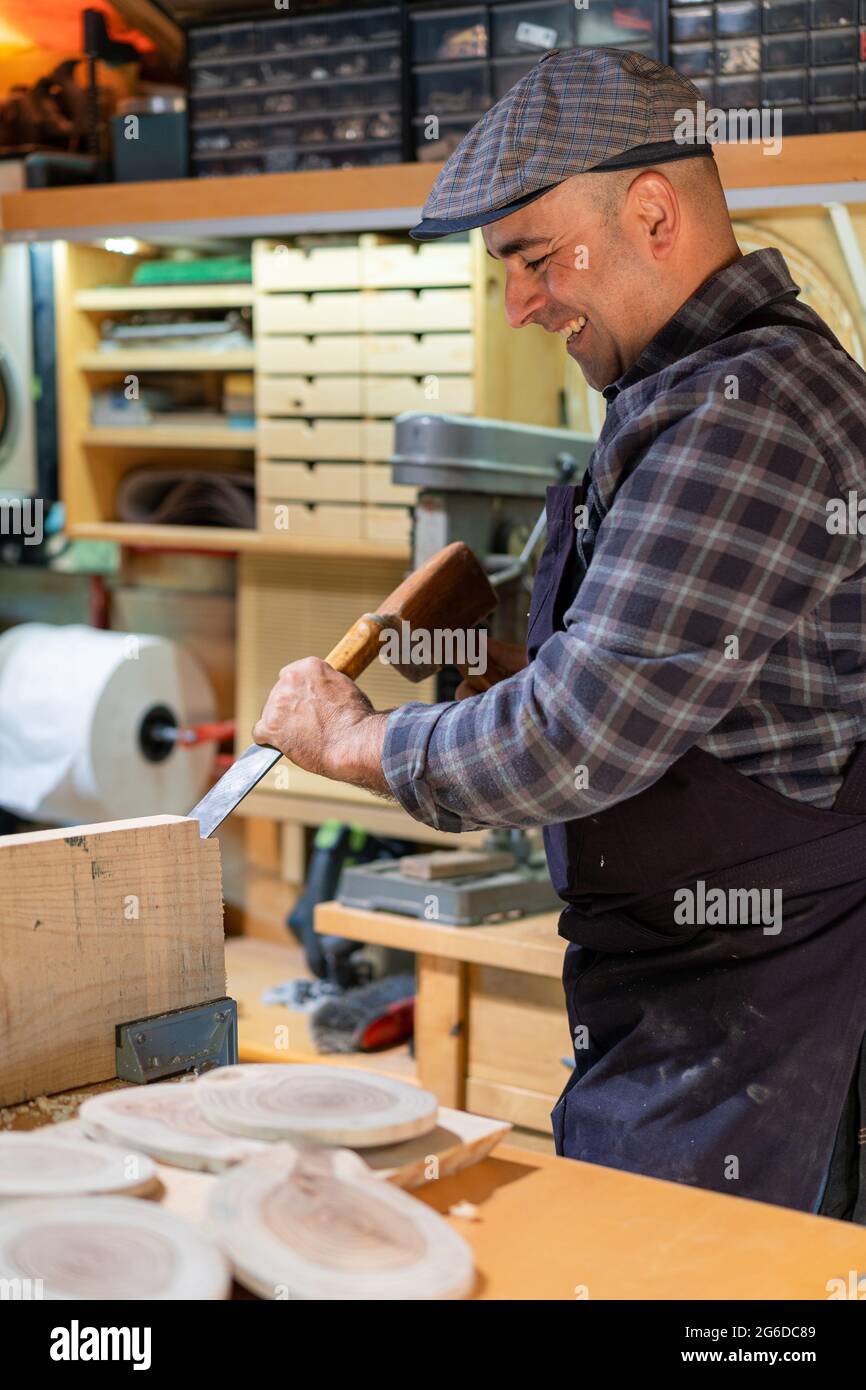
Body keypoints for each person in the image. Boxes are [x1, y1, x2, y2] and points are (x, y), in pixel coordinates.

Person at [254, 49, 866, 1220]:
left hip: (755, 1013)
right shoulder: (672, 399)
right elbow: (641, 665)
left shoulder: (751, 417)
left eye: (534, 260)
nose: (519, 304)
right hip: (677, 985)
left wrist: (354, 743)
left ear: (650, 212)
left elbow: (572, 731)